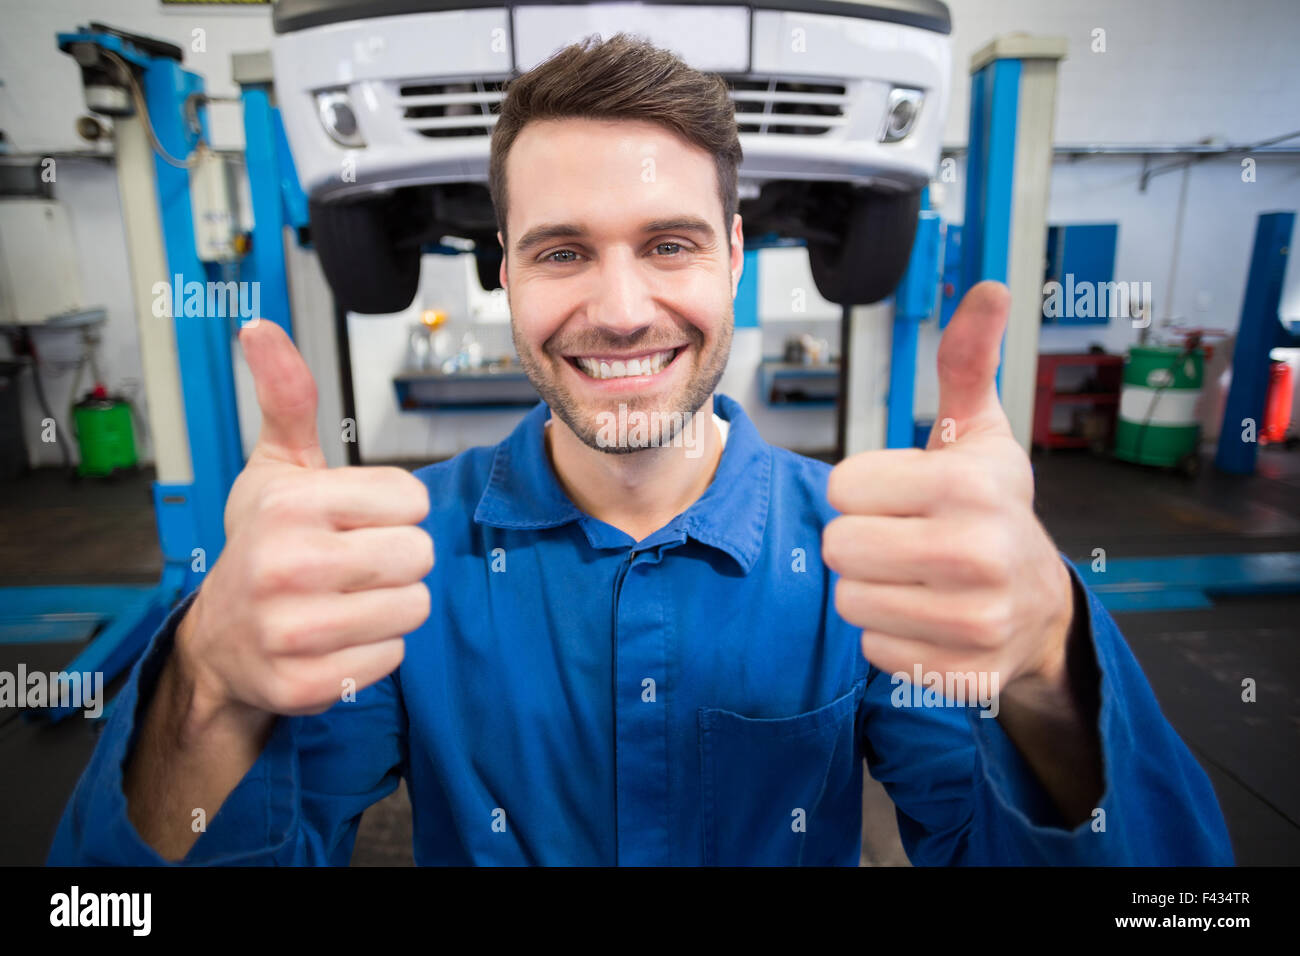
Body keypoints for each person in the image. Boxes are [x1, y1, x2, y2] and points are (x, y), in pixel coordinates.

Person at [49, 34, 1232, 866]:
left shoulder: (865, 556)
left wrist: (1047, 667)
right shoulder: (401, 562)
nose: (619, 310)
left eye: (668, 243)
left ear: (731, 252)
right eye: (562, 251)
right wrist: (202, 682)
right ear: (505, 270)